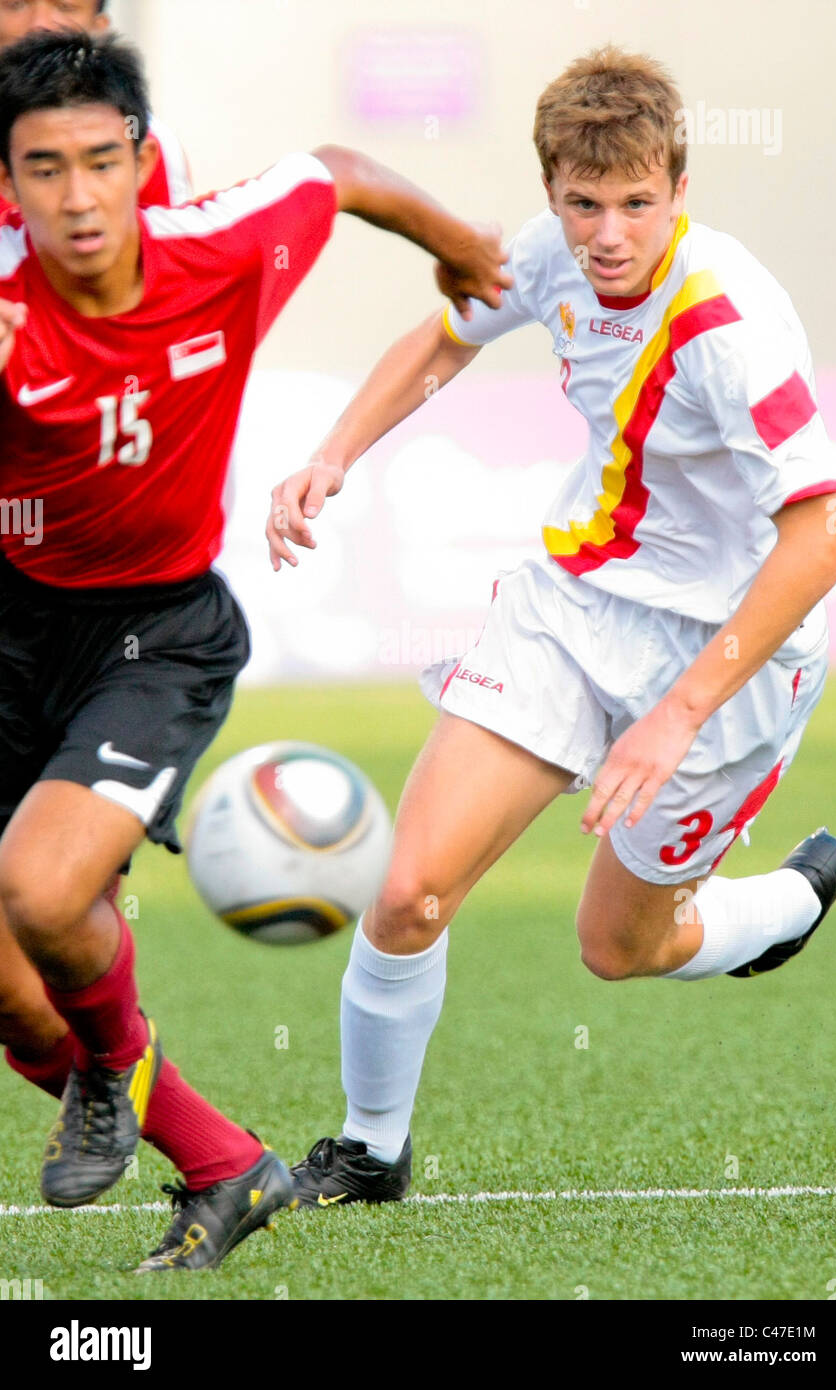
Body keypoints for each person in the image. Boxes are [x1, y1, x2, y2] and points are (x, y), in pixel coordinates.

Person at [268, 46, 836, 1207]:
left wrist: (672, 717)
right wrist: (331, 455)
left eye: (636, 202)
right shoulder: (552, 254)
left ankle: (782, 905)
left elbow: (825, 538)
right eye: (582, 202)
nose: (607, 232)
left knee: (617, 948)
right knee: (407, 894)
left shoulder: (727, 324)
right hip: (571, 613)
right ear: (550, 192)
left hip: (728, 663)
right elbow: (445, 337)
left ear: (679, 191)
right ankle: (369, 1147)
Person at [0, 29, 511, 1267]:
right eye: (41, 171)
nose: (76, 198)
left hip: (157, 638)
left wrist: (459, 247)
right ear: (9, 189)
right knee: (14, 992)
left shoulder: (220, 252)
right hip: (16, 632)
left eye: (98, 163)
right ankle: (228, 1168)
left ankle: (110, 1071)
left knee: (41, 890)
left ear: (140, 161)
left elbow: (334, 171)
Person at [0, 0, 191, 215]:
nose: (39, 25)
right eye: (16, 4)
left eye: (65, 7)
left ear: (99, 27)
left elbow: (159, 244)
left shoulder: (140, 135)